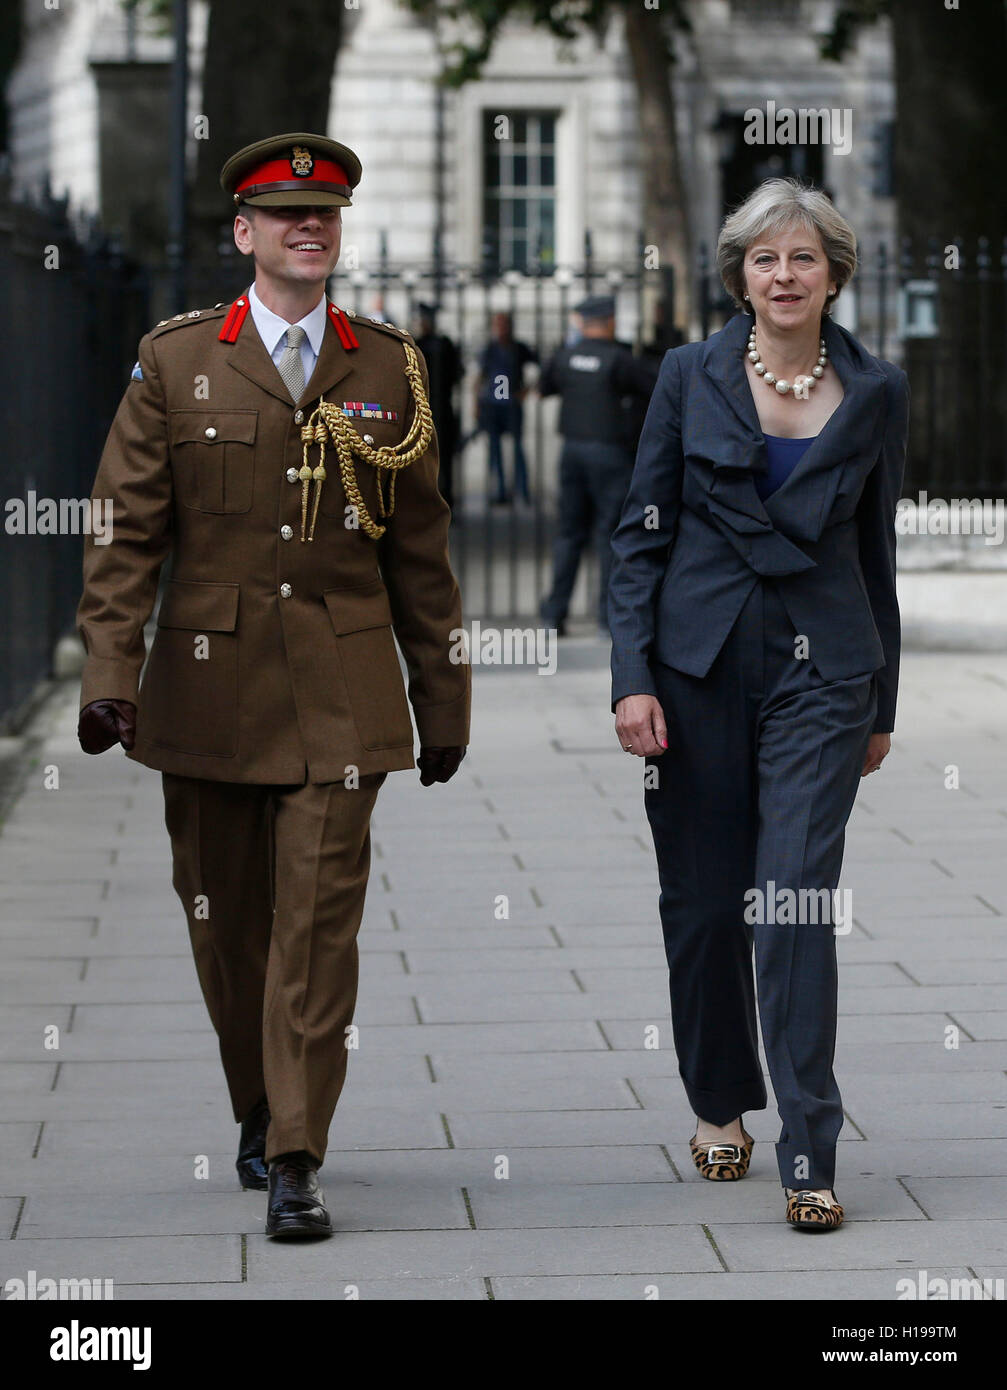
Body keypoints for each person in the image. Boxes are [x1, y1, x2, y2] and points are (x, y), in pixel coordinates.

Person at [75, 132, 471, 1241]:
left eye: (326, 215)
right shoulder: (178, 363)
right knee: (229, 928)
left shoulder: (388, 365)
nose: (310, 228)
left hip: (343, 696)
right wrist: (112, 676)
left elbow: (422, 554)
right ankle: (256, 1106)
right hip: (205, 696)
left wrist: (442, 700)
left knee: (316, 926)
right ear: (244, 234)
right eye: (286, 215)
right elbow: (121, 538)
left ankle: (297, 1155)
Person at [609, 178, 909, 1231]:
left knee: (788, 901)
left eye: (803, 259)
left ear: (834, 274)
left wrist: (881, 700)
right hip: (693, 673)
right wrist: (630, 676)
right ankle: (717, 1101)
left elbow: (875, 553)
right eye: (762, 259)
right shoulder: (688, 376)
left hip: (821, 674)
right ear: (738, 276)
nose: (782, 276)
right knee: (702, 906)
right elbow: (639, 535)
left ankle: (809, 1150)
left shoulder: (874, 391)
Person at [537, 295, 658, 636]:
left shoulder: (565, 355)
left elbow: (544, 386)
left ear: (581, 322)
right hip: (609, 454)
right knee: (610, 534)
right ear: (609, 322)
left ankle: (554, 614)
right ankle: (608, 616)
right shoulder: (620, 359)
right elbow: (654, 389)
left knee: (568, 534)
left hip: (571, 452)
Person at [473, 311, 537, 504]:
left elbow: (539, 367)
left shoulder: (519, 348)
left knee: (517, 448)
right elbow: (480, 378)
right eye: (497, 325)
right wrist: (476, 404)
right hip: (492, 406)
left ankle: (522, 490)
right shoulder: (489, 349)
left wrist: (526, 390)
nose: (501, 329)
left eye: (503, 324)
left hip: (511, 405)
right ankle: (500, 491)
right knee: (495, 450)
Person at [411, 302, 464, 512]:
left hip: (432, 407)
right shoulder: (437, 344)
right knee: (434, 458)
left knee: (436, 458)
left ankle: (438, 501)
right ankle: (439, 501)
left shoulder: (421, 343)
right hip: (434, 407)